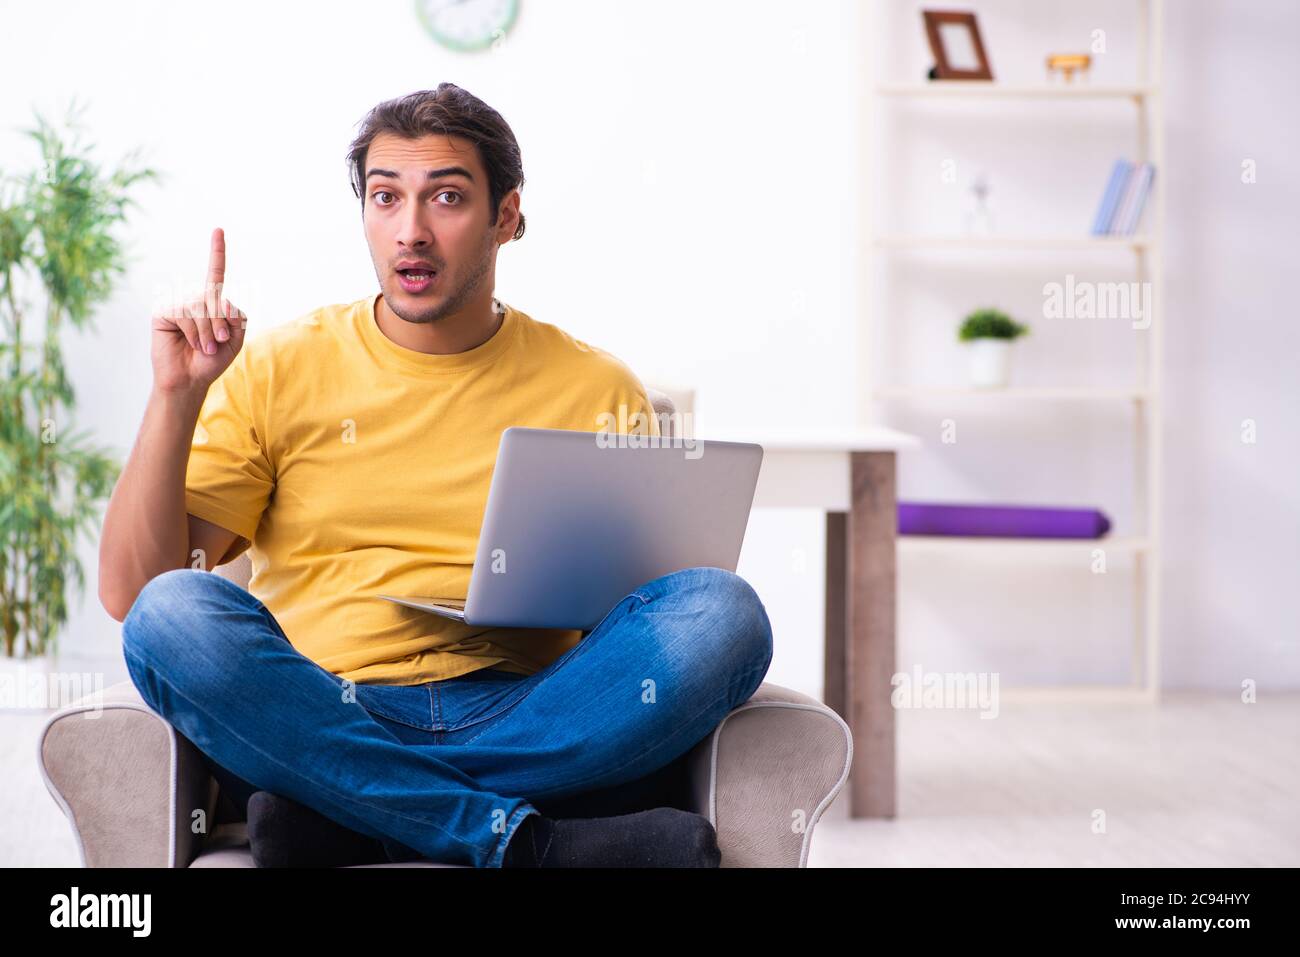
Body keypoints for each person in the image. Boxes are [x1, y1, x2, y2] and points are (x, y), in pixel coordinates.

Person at [98, 83, 773, 868]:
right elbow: (134, 591)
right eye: (386, 198)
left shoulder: (593, 386)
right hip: (323, 703)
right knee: (172, 616)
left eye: (446, 197)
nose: (410, 232)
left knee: (724, 613)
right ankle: (525, 837)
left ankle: (355, 811)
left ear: (506, 217)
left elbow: (641, 622)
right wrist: (176, 396)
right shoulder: (279, 367)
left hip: (524, 708)